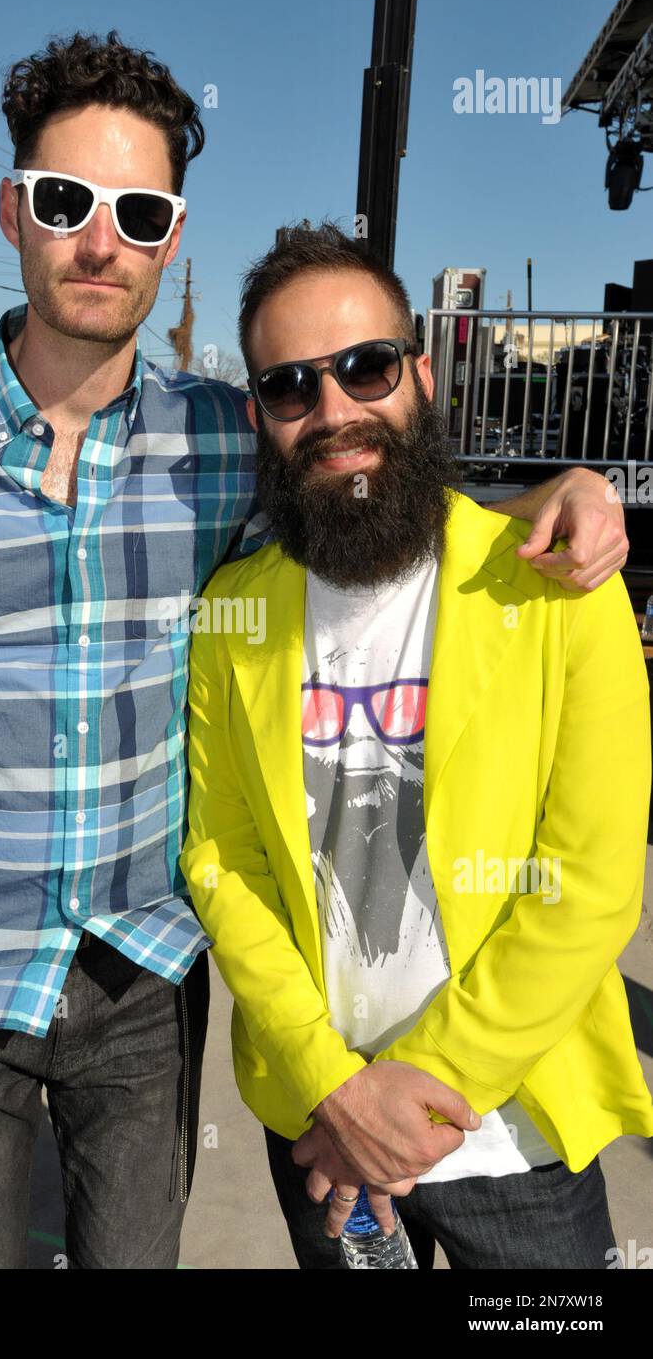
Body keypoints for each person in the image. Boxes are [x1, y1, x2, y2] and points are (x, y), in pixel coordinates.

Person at [0, 33, 629, 1271]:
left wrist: (555, 495)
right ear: (17, 209)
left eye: (139, 210)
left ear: (170, 234)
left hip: (147, 990)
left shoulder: (220, 445)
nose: (99, 240)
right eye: (68, 202)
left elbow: (372, 482)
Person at [180, 222, 653, 1270]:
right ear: (260, 411)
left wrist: (411, 1103)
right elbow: (222, 858)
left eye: (365, 367)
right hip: (322, 1126)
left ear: (420, 374)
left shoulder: (559, 586)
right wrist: (336, 1085)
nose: (335, 410)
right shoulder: (236, 613)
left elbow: (592, 881)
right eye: (292, 385)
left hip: (508, 1139)